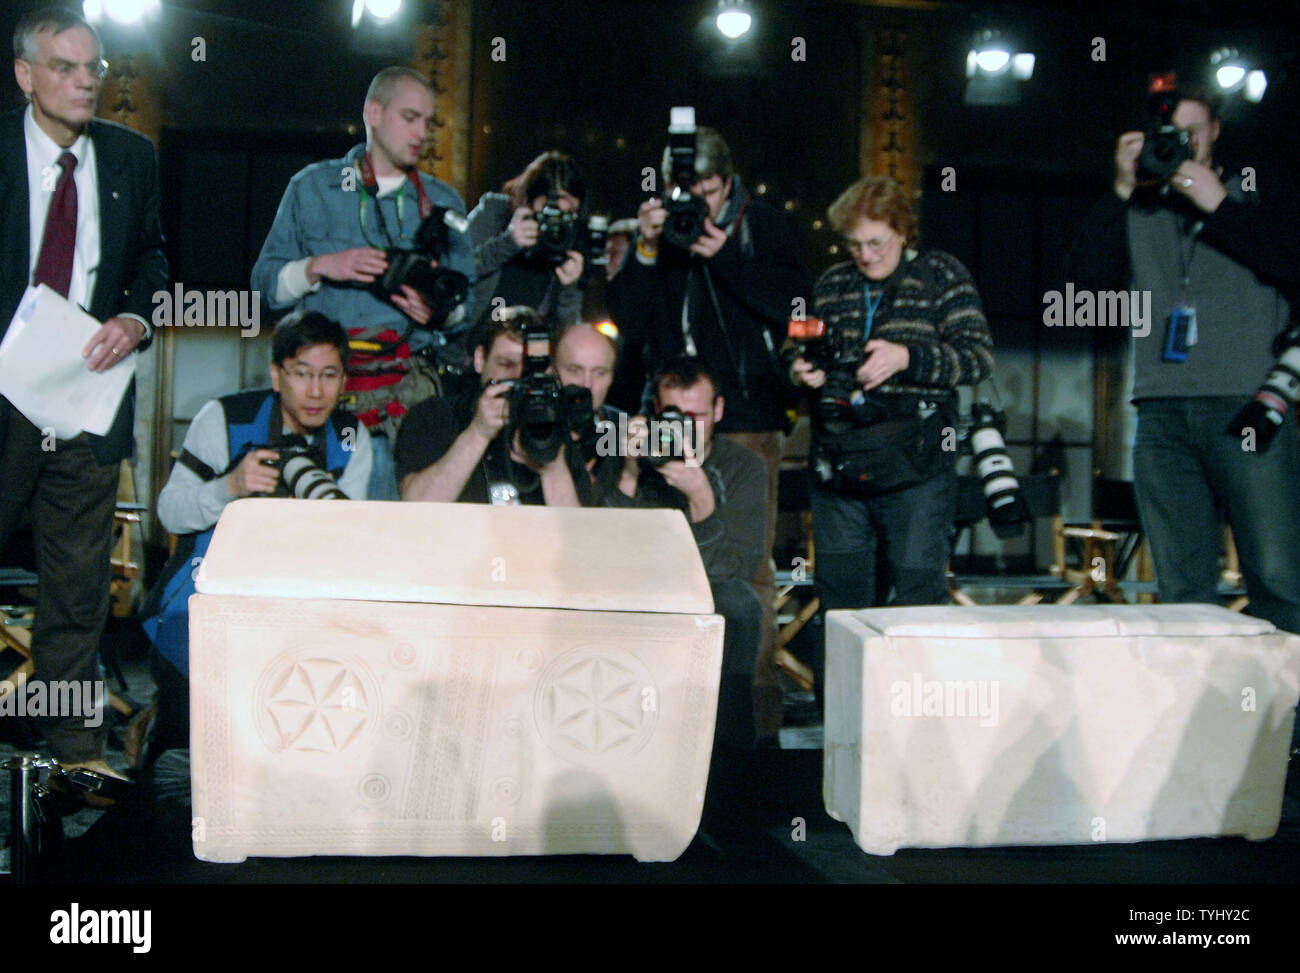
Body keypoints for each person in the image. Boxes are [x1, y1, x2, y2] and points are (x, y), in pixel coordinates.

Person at [0, 5, 167, 791]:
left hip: (89, 400)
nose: (85, 81)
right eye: (65, 68)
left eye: (94, 67)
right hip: (2, 398)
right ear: (25, 75)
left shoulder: (133, 157)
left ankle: (70, 753)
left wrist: (137, 316)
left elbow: (154, 261)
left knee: (76, 589)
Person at [1067, 86, 1300, 635]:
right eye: (1170, 136)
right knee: (1182, 586)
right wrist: (1122, 188)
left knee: (1276, 574)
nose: (1182, 144)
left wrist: (1218, 204)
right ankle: (1207, 718)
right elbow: (1083, 293)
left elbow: (1291, 261)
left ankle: (1288, 715)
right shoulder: (1140, 205)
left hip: (1245, 404)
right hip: (1161, 413)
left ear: (1216, 131)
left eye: (1193, 132)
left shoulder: (1254, 190)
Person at [607, 125, 810, 740]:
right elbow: (631, 322)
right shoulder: (665, 231)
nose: (701, 205)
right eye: (688, 191)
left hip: (744, 418)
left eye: (712, 191)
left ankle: (755, 718)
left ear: (730, 182)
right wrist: (645, 250)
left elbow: (796, 309)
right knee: (659, 554)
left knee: (747, 567)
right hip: (667, 410)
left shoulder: (763, 224)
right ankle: (659, 712)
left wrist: (725, 257)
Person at [141, 311, 371, 762]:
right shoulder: (225, 418)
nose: (316, 392)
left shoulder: (349, 435)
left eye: (329, 376)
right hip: (202, 606)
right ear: (276, 374)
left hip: (294, 610)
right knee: (182, 756)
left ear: (344, 379)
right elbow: (169, 512)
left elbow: (351, 535)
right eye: (301, 374)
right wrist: (229, 487)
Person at [250, 66, 475, 502]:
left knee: (403, 540)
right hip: (326, 399)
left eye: (429, 122)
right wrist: (319, 266)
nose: (422, 133)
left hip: (412, 400)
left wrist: (440, 312)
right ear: (374, 112)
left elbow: (466, 303)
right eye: (410, 118)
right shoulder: (313, 187)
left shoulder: (443, 202)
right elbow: (263, 288)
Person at [792, 176, 993, 612]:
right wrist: (803, 369)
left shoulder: (940, 274)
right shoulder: (832, 283)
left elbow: (978, 359)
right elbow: (804, 345)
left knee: (917, 594)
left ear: (903, 230)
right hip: (840, 457)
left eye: (877, 242)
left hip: (915, 460)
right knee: (840, 602)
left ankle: (914, 683)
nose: (866, 255)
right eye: (855, 244)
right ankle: (840, 683)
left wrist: (907, 358)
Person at [603, 356, 768, 749]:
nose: (686, 428)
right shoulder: (634, 454)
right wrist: (627, 472)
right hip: (637, 584)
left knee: (741, 606)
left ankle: (733, 752)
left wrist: (702, 499)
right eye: (676, 415)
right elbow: (606, 549)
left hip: (708, 588)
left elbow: (736, 568)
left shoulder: (743, 467)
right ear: (657, 411)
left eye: (697, 415)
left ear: (719, 410)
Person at [395, 307, 586, 507]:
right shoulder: (434, 416)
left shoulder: (557, 424)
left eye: (530, 368)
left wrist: (552, 468)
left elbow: (579, 533)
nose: (518, 377)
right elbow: (416, 507)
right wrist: (478, 433)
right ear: (480, 359)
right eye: (506, 364)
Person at [465, 150, 586, 335]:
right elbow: (457, 269)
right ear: (528, 200)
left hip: (527, 355)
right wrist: (506, 243)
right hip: (469, 349)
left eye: (567, 213)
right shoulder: (494, 214)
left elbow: (567, 336)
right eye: (549, 209)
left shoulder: (568, 243)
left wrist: (569, 290)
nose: (556, 221)